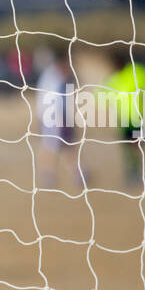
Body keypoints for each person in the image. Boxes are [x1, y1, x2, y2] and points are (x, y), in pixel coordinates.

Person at [104, 49, 145, 189]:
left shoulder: (137, 73)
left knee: (138, 146)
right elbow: (103, 95)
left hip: (138, 118)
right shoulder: (114, 77)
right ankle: (130, 174)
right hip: (123, 120)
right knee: (127, 148)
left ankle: (140, 174)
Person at [34, 47, 86, 190]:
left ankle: (76, 173)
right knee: (52, 145)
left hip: (58, 115)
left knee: (66, 144)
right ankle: (50, 174)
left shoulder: (55, 75)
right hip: (53, 116)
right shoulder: (53, 76)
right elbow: (52, 99)